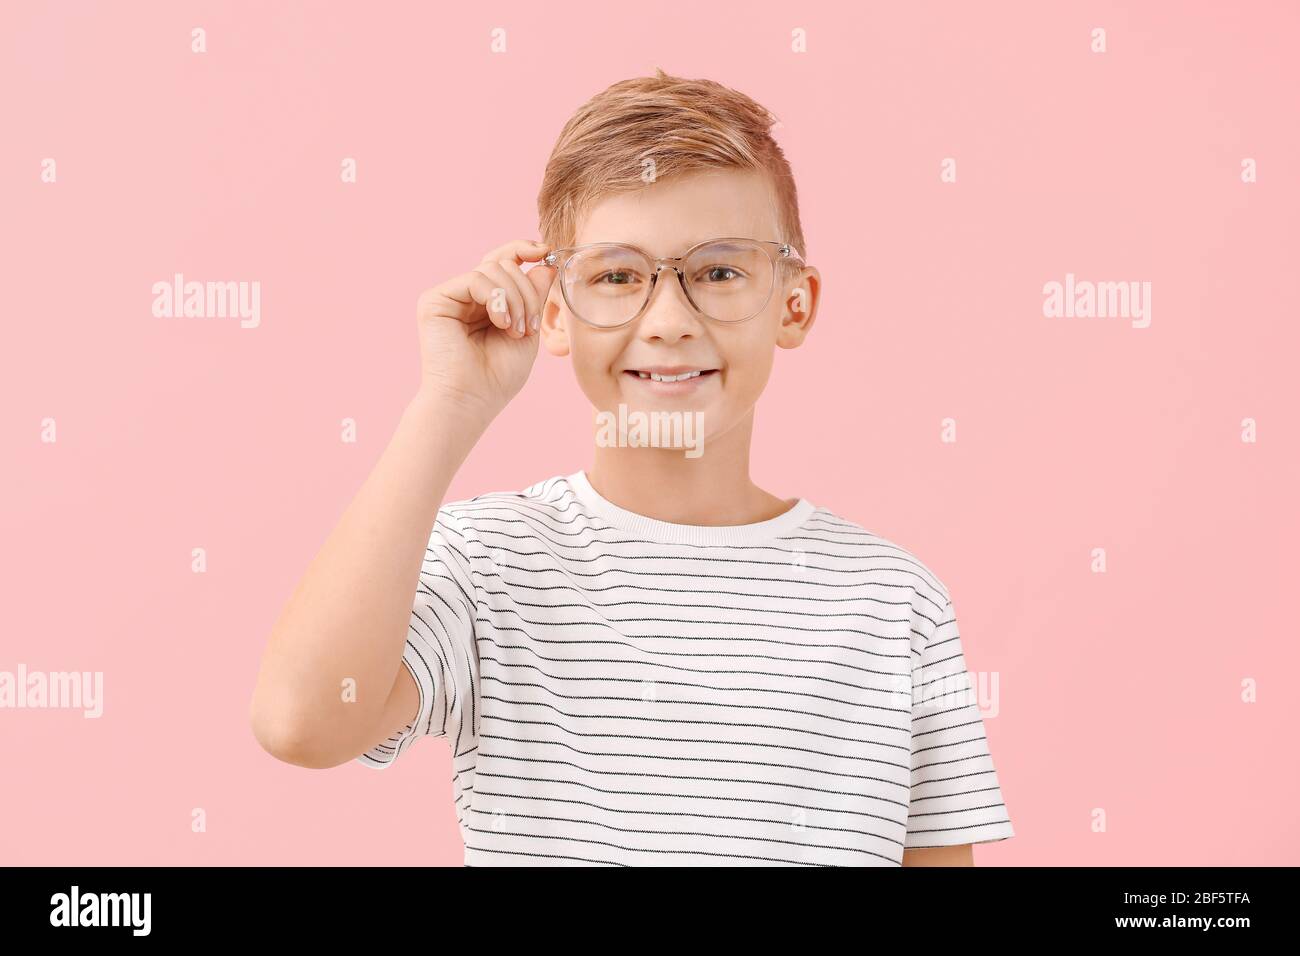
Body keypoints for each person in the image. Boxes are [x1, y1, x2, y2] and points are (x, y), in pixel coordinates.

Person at [250, 68, 1014, 867]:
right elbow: (301, 724)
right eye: (618, 276)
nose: (670, 321)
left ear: (795, 303)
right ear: (555, 312)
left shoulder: (898, 604)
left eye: (720, 271)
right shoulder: (489, 563)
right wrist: (448, 403)